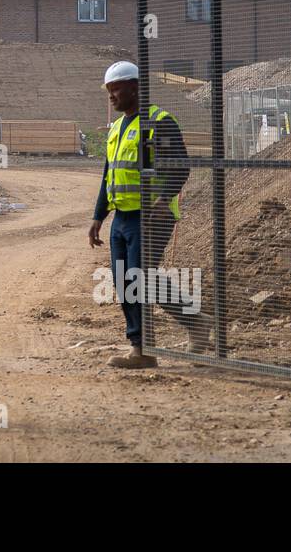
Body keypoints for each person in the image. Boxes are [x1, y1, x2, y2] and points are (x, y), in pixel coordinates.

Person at [87, 60, 213, 368]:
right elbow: (109, 175)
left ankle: (143, 349)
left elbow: (180, 165)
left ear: (134, 88)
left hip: (153, 216)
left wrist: (164, 198)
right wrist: (98, 216)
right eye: (108, 90)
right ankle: (186, 325)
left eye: (115, 89)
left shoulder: (159, 121)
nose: (111, 96)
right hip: (123, 218)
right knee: (125, 281)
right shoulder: (117, 128)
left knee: (138, 278)